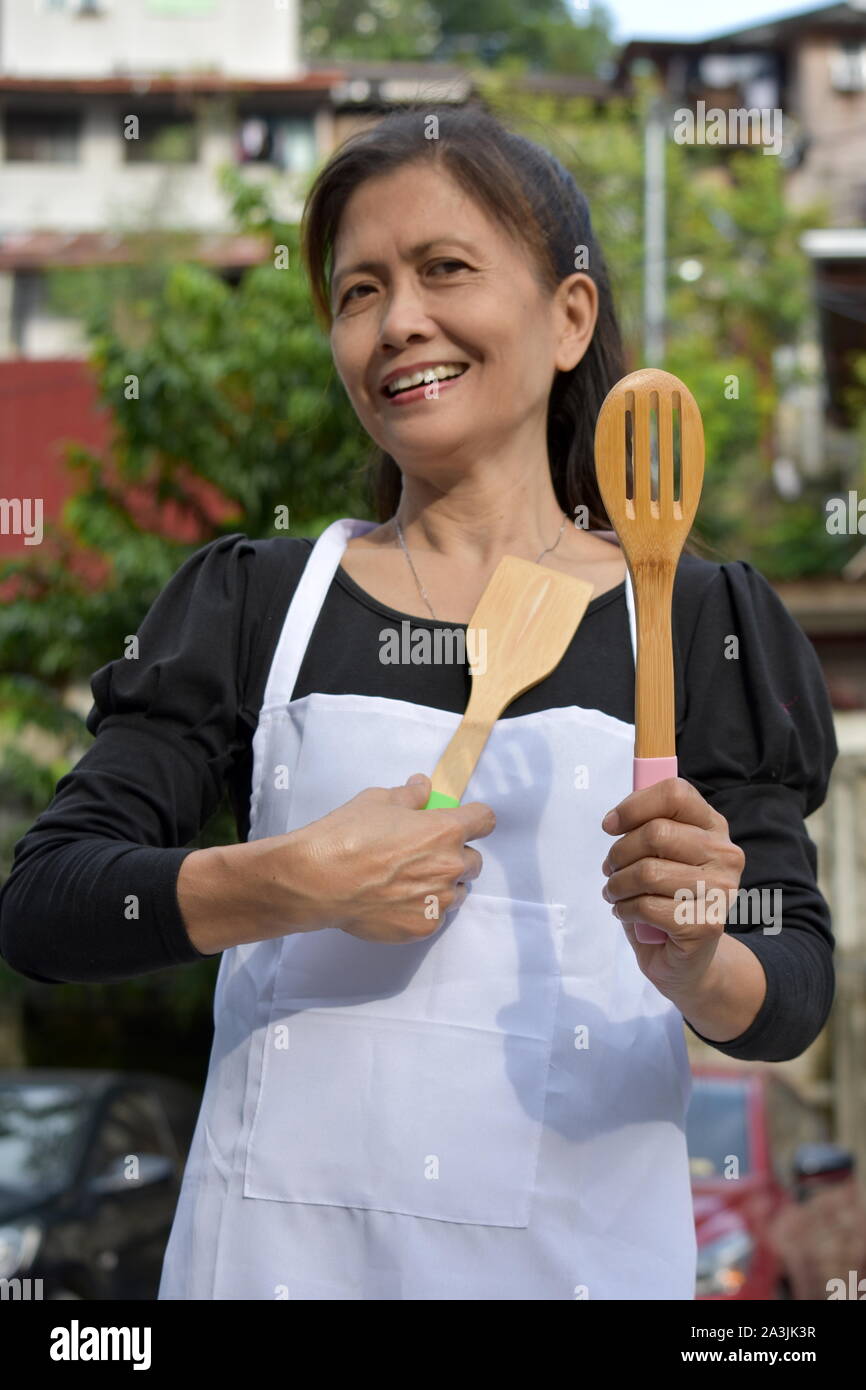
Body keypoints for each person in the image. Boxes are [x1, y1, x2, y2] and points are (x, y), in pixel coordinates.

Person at [0, 105, 837, 1301]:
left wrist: (697, 952)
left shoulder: (691, 618)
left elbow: (787, 988)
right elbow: (44, 907)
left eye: (445, 269)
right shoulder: (254, 602)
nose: (398, 321)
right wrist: (287, 877)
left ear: (567, 318)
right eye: (356, 292)